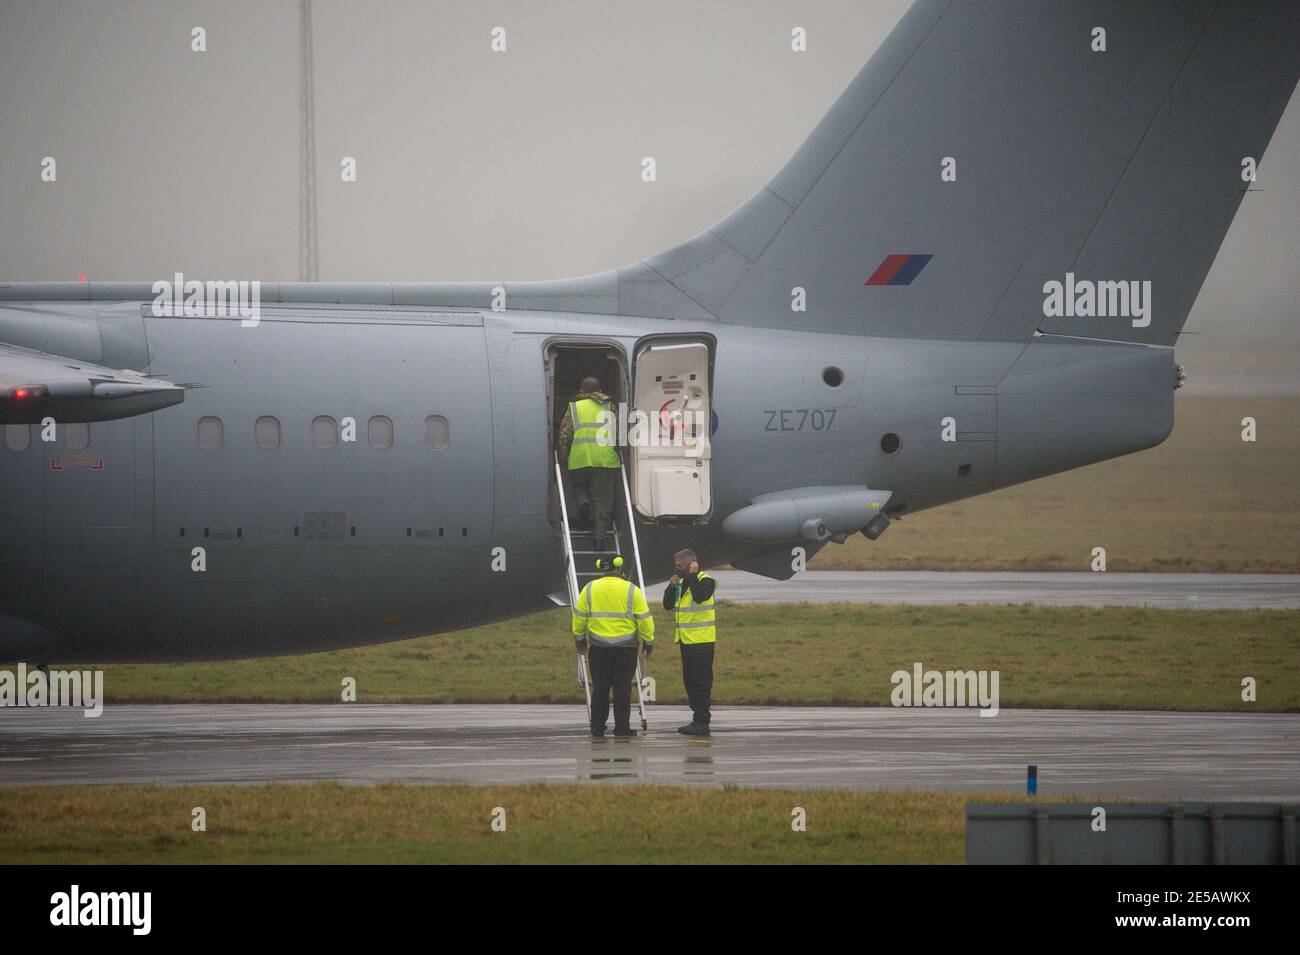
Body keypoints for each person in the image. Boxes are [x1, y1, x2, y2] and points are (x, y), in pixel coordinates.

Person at [572, 555, 654, 737]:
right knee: (622, 688)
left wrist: (579, 640)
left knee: (600, 688)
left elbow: (579, 618)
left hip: (598, 648)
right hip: (625, 649)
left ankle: (597, 727)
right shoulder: (632, 590)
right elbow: (644, 619)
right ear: (620, 568)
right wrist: (649, 642)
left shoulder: (589, 589)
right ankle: (622, 728)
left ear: (603, 569)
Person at [558, 376, 621, 551]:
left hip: (579, 460)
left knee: (579, 489)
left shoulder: (574, 408)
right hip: (604, 461)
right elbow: (619, 434)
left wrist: (563, 458)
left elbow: (564, 435)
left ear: (581, 391)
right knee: (602, 501)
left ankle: (583, 505)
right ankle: (599, 540)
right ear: (599, 390)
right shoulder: (610, 407)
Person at [663, 548, 716, 735]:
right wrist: (672, 585)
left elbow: (700, 597)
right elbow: (668, 605)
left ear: (692, 564)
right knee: (690, 682)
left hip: (702, 641)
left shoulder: (706, 580)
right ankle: (697, 719)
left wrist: (693, 574)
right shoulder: (682, 582)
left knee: (701, 683)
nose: (678, 570)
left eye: (681, 567)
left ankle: (703, 721)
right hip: (685, 640)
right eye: (676, 566)